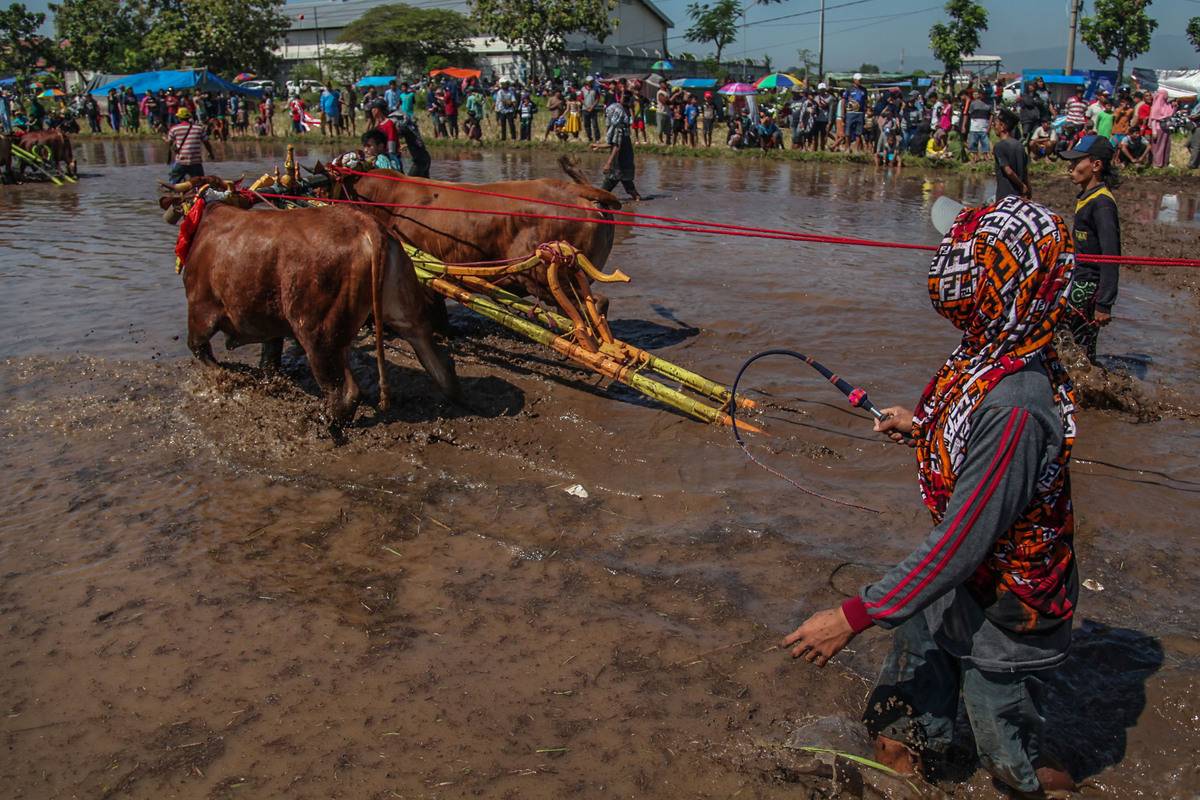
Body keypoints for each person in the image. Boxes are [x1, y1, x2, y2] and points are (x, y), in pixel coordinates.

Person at [782, 194, 1080, 800]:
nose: (946, 262)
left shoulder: (1018, 407)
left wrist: (852, 616)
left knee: (1005, 761)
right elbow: (978, 452)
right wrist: (924, 429)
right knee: (896, 728)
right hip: (959, 583)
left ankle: (1036, 776)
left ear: (1003, 280)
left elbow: (962, 540)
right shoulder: (996, 346)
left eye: (965, 254)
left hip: (1008, 605)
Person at [1060, 134, 1121, 362]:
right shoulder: (1087, 197)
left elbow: (1111, 255)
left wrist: (1104, 303)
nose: (1071, 167)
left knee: (1067, 339)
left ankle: (1084, 378)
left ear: (1096, 165)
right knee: (1074, 343)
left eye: (1076, 161)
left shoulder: (1102, 203)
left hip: (1088, 287)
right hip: (1079, 279)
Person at [591, 93, 639, 200]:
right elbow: (613, 143)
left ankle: (598, 203)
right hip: (626, 161)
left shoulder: (618, 129)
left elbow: (616, 147)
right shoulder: (623, 128)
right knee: (628, 185)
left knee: (605, 188)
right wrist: (598, 146)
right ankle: (637, 200)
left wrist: (608, 163)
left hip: (619, 163)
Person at [164, 107, 214, 184]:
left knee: (173, 182)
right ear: (189, 117)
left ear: (179, 118)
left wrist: (168, 159)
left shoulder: (174, 129)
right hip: (196, 161)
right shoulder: (199, 129)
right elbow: (206, 142)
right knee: (200, 183)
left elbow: (169, 145)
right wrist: (211, 153)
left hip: (181, 161)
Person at [993, 109, 1029, 200]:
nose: (994, 127)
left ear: (1002, 126)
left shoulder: (999, 146)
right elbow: (1025, 172)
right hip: (1020, 196)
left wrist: (1021, 185)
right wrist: (1027, 189)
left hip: (1005, 196)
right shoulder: (1020, 146)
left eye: (995, 125)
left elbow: (1008, 171)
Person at [1147, 89, 1173, 168]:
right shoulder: (1156, 106)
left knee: (1166, 146)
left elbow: (1170, 114)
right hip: (1158, 129)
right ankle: (1157, 163)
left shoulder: (1167, 105)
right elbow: (1153, 119)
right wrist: (1154, 131)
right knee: (1158, 147)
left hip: (1166, 128)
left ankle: (1165, 162)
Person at [966, 90, 992, 162]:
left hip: (984, 127)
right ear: (979, 94)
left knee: (985, 143)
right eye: (981, 94)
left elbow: (991, 116)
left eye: (984, 94)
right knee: (973, 142)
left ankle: (986, 156)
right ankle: (975, 156)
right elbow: (970, 114)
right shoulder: (973, 104)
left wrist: (989, 126)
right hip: (974, 127)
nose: (983, 96)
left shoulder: (989, 104)